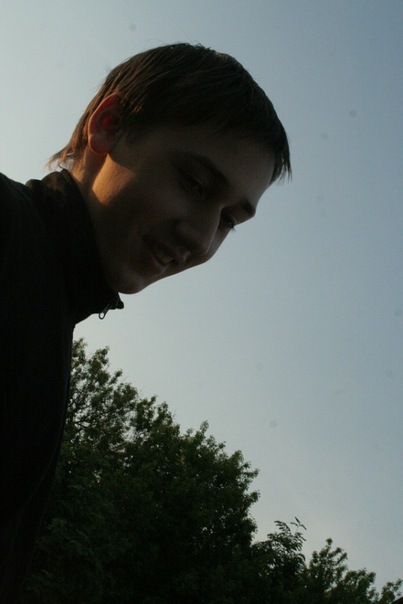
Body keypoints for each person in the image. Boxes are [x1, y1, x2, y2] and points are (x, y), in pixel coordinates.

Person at [0, 42, 291, 601]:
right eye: (196, 184)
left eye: (229, 220)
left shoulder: (49, 298)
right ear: (108, 126)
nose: (201, 238)